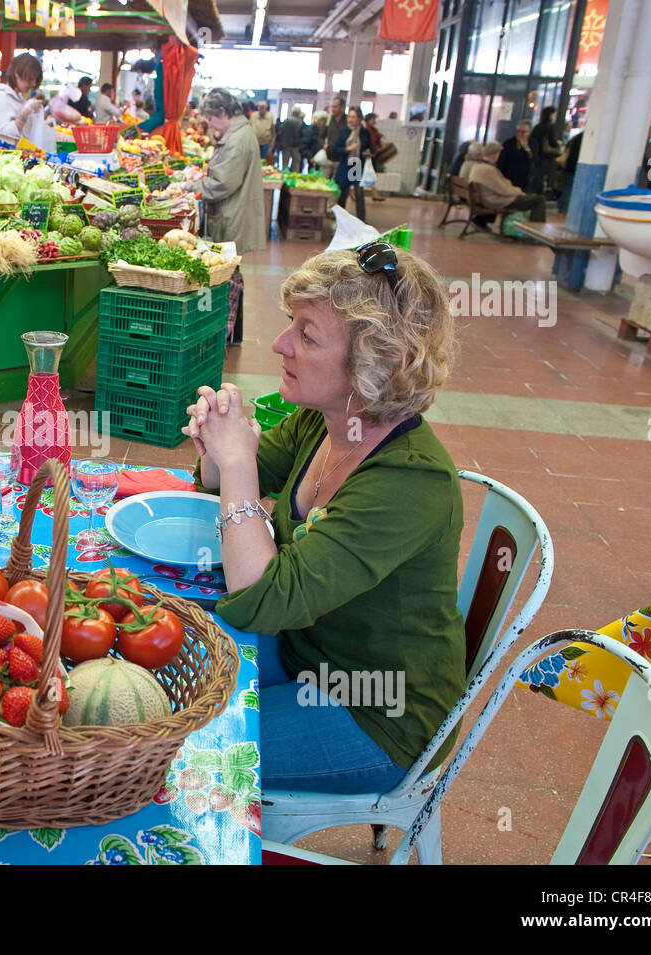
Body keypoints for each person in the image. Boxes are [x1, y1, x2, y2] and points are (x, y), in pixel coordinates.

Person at [182, 244, 463, 795]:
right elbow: (220, 479)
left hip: (378, 714)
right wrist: (219, 437)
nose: (280, 343)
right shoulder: (329, 421)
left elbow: (259, 598)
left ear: (372, 365)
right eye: (292, 323)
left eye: (307, 335)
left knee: (182, 751)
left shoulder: (409, 481)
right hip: (303, 651)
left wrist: (237, 460)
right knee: (164, 668)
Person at [199, 88, 265, 345]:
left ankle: (225, 334)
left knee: (229, 274)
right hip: (233, 211)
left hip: (231, 214)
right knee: (232, 272)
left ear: (223, 112)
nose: (210, 124)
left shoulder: (238, 139)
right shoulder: (239, 133)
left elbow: (222, 183)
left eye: (211, 118)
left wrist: (194, 187)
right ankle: (232, 333)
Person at [467, 141, 548, 229]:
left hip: (487, 198)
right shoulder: (488, 170)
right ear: (495, 155)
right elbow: (504, 190)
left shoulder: (478, 166)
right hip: (496, 200)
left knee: (532, 198)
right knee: (539, 200)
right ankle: (535, 232)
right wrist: (518, 191)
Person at [0, 52, 46, 143]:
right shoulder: (2, 98)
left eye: (35, 80)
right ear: (17, 74)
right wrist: (25, 113)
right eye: (30, 79)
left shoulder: (19, 99)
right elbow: (5, 136)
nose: (33, 84)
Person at [333, 105, 372, 222]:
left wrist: (368, 152)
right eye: (349, 116)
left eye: (353, 117)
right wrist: (348, 149)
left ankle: (361, 220)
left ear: (359, 118)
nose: (350, 119)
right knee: (343, 193)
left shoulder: (364, 132)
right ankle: (340, 219)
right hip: (346, 165)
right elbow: (336, 149)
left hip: (358, 165)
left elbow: (369, 147)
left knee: (359, 193)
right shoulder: (344, 132)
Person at [528, 105, 561, 197]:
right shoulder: (550, 127)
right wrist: (558, 144)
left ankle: (533, 192)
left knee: (537, 174)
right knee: (541, 175)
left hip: (536, 154)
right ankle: (538, 194)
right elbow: (552, 141)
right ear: (550, 115)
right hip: (545, 155)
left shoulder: (537, 127)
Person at [497, 120, 533, 189]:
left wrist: (526, 148)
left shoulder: (533, 143)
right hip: (509, 178)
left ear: (529, 133)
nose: (519, 134)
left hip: (525, 179)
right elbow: (501, 162)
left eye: (523, 132)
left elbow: (533, 159)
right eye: (517, 131)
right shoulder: (508, 143)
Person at [363, 113, 388, 202]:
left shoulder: (374, 131)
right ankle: (374, 193)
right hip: (367, 156)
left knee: (368, 174)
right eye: (373, 119)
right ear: (368, 120)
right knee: (368, 174)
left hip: (372, 155)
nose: (374, 121)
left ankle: (374, 193)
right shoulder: (366, 131)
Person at [322, 96, 347, 179]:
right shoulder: (328, 120)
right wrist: (323, 145)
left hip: (342, 159)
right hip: (328, 158)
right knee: (324, 182)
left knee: (338, 184)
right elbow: (320, 136)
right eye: (332, 106)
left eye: (335, 107)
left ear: (342, 107)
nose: (332, 109)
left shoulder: (347, 121)